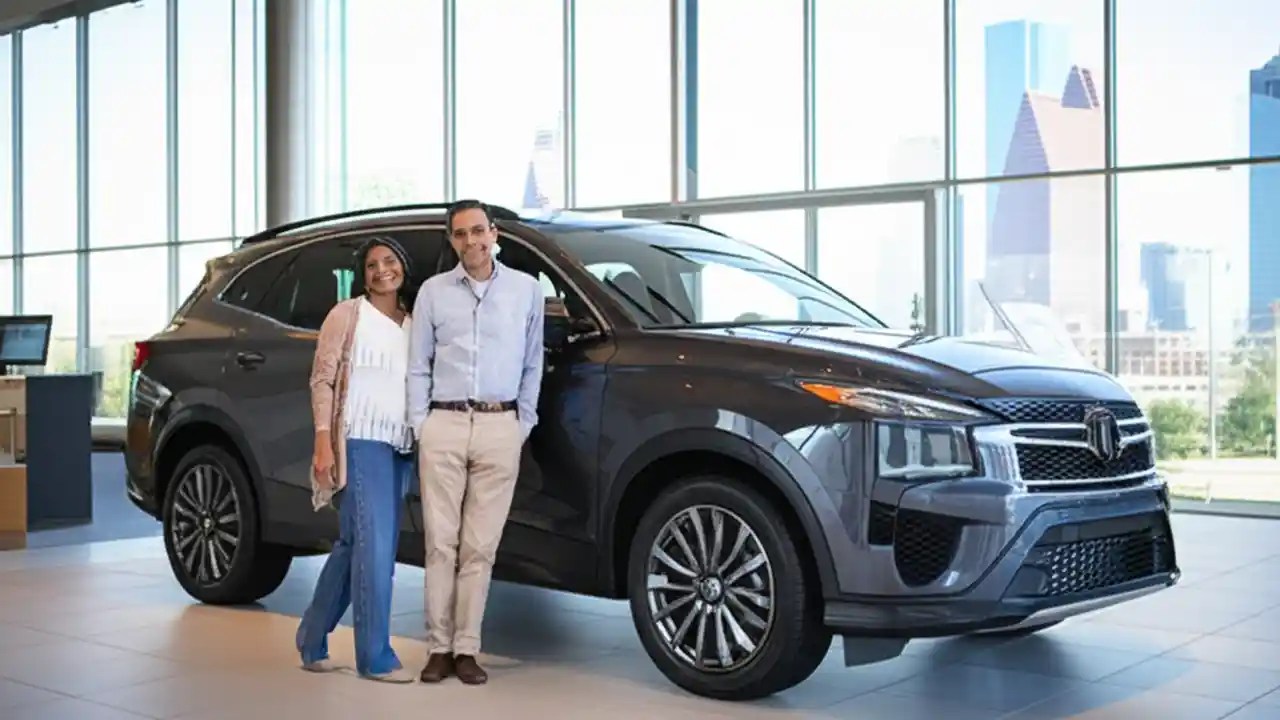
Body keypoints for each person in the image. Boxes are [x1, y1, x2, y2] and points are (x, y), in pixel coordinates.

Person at [408, 199, 545, 685]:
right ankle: (438, 648)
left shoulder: (527, 291)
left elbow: (533, 362)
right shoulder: (433, 293)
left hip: (499, 425)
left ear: (494, 233)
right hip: (443, 424)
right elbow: (418, 364)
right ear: (452, 241)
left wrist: (522, 423)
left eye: (478, 231)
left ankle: (466, 648)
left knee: (480, 548)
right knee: (440, 543)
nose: (472, 241)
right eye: (461, 234)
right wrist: (421, 425)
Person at [295, 236, 418, 684]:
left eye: (390, 260)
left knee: (356, 546)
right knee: (376, 551)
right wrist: (323, 441)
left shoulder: (414, 321)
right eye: (371, 265)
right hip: (361, 441)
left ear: (403, 266)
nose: (382, 270)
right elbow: (323, 380)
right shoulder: (347, 315)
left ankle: (311, 638)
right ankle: (375, 656)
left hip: (401, 446)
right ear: (362, 275)